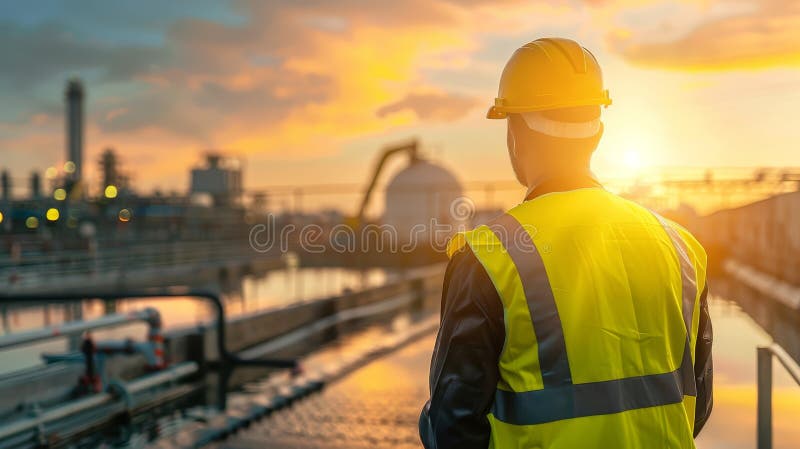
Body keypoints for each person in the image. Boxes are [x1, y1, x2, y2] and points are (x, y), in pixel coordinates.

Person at [419, 37, 713, 449]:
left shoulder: (488, 257)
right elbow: (696, 409)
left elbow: (451, 427)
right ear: (597, 134)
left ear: (516, 132)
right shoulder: (682, 249)